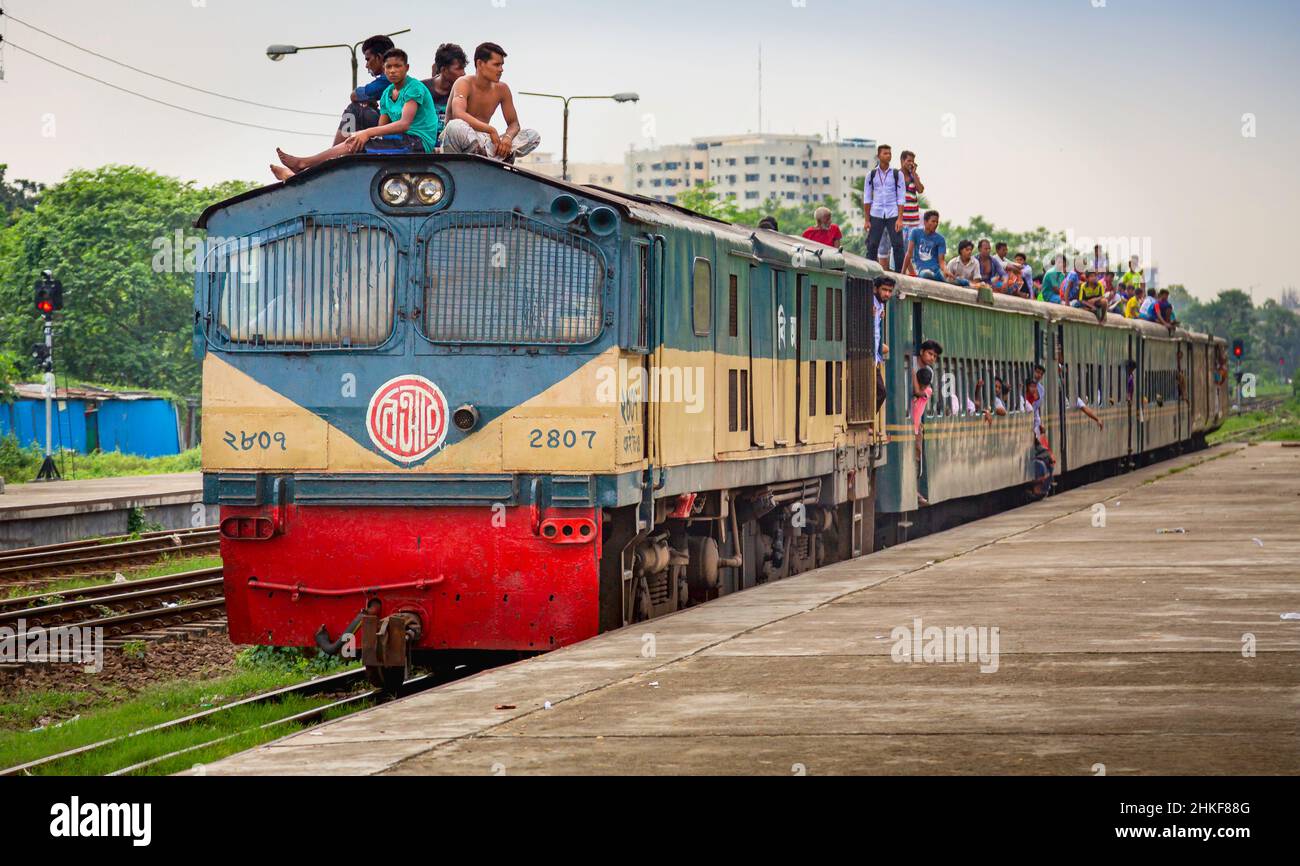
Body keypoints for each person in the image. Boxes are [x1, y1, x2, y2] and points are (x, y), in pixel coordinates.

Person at [272, 49, 440, 180]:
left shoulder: (414, 87)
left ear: (407, 68)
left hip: (417, 142)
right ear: (384, 68)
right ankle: (305, 170)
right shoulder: (387, 92)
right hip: (400, 140)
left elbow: (404, 124)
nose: (393, 71)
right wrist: (366, 137)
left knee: (353, 142)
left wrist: (365, 133)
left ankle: (304, 165)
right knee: (355, 143)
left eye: (398, 66)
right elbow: (381, 128)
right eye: (389, 67)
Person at [442, 42, 541, 162]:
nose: (501, 69)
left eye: (502, 65)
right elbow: (459, 114)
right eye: (496, 65)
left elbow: (514, 124)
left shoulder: (502, 88)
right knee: (455, 125)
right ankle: (490, 156)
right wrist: (491, 130)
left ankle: (495, 154)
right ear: (480, 64)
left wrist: (507, 138)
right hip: (459, 141)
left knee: (532, 135)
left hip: (486, 142)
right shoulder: (463, 83)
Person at [334, 35, 396, 146]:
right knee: (364, 107)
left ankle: (335, 154)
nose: (367, 65)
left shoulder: (388, 79)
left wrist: (366, 101)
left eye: (368, 59)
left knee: (355, 109)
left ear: (379, 57)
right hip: (397, 127)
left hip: (397, 132)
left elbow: (355, 95)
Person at [863, 144, 908, 272]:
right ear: (878, 156)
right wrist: (867, 220)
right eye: (885, 153)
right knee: (872, 245)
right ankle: (869, 271)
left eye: (889, 153)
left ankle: (900, 274)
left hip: (893, 213)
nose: (888, 155)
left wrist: (900, 219)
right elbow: (867, 198)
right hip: (876, 213)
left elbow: (901, 197)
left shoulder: (896, 174)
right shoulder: (871, 175)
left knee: (898, 245)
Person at [422, 43, 468, 142]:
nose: (463, 73)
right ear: (443, 70)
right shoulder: (421, 89)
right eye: (458, 69)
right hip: (424, 146)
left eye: (463, 68)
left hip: (451, 147)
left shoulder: (464, 92)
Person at [902, 211, 947, 281]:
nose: (935, 224)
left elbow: (941, 262)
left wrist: (946, 270)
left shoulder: (940, 239)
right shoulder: (915, 232)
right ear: (925, 222)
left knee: (958, 281)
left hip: (935, 270)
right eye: (933, 221)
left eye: (937, 222)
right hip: (921, 270)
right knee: (926, 274)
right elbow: (909, 254)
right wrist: (902, 272)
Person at [874, 277, 895, 418]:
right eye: (884, 290)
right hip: (868, 356)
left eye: (890, 291)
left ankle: (869, 420)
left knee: (878, 392)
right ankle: (868, 420)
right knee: (881, 392)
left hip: (874, 357)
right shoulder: (872, 304)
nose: (887, 294)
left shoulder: (880, 306)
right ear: (876, 289)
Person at [898, 150, 926, 242]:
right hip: (900, 220)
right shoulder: (895, 175)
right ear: (902, 160)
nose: (911, 163)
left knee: (911, 249)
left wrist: (914, 174)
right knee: (898, 248)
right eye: (909, 161)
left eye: (913, 161)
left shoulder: (914, 176)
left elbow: (920, 190)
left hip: (913, 221)